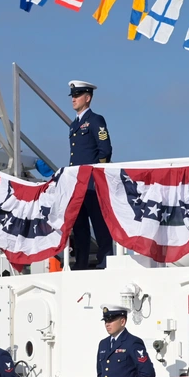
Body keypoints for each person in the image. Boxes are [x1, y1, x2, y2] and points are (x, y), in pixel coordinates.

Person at [67, 80, 113, 270]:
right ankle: (82, 263)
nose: (74, 99)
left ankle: (105, 262)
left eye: (77, 96)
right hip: (77, 183)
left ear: (88, 97)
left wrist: (97, 174)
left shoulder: (95, 120)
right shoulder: (73, 125)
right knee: (79, 226)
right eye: (73, 96)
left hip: (92, 183)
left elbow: (105, 150)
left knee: (99, 223)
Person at [96, 305, 156, 377]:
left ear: (122, 322)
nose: (107, 324)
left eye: (111, 320)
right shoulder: (103, 344)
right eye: (106, 320)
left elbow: (147, 373)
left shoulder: (133, 342)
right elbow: (101, 373)